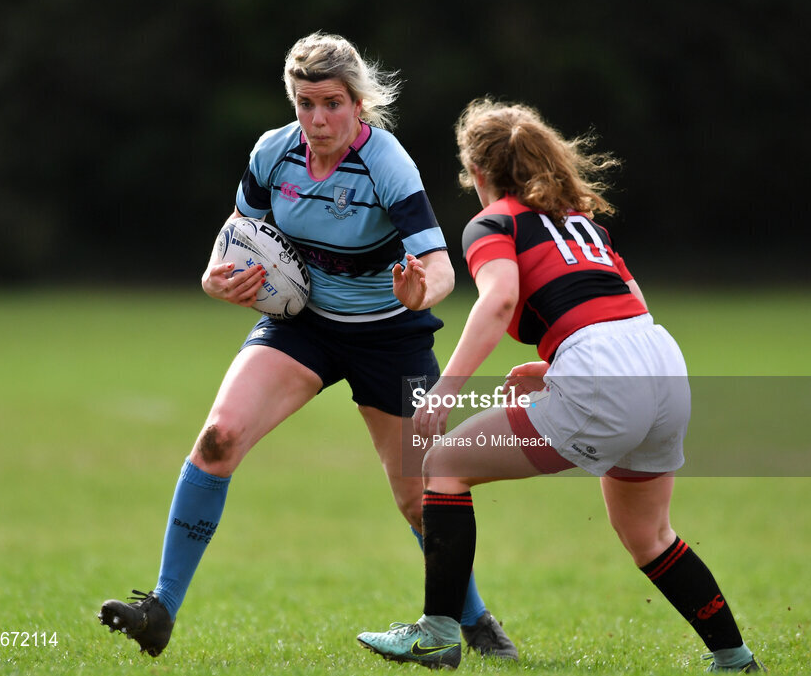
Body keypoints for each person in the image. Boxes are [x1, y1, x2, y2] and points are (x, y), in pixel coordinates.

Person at [98, 33, 517, 661]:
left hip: (389, 335)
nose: (317, 120)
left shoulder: (387, 164)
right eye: (305, 103)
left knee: (418, 496)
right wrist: (214, 275)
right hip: (304, 325)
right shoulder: (274, 152)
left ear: (358, 103)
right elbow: (240, 228)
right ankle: (161, 606)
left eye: (332, 104)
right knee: (218, 438)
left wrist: (418, 292)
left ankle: (475, 619)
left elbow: (439, 265)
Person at [357, 98, 765, 672]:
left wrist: (447, 388)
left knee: (443, 463)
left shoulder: (494, 222)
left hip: (603, 372)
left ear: (476, 171)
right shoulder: (581, 223)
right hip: (660, 363)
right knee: (649, 535)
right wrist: (558, 368)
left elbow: (499, 301)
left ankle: (438, 633)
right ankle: (735, 659)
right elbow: (629, 304)